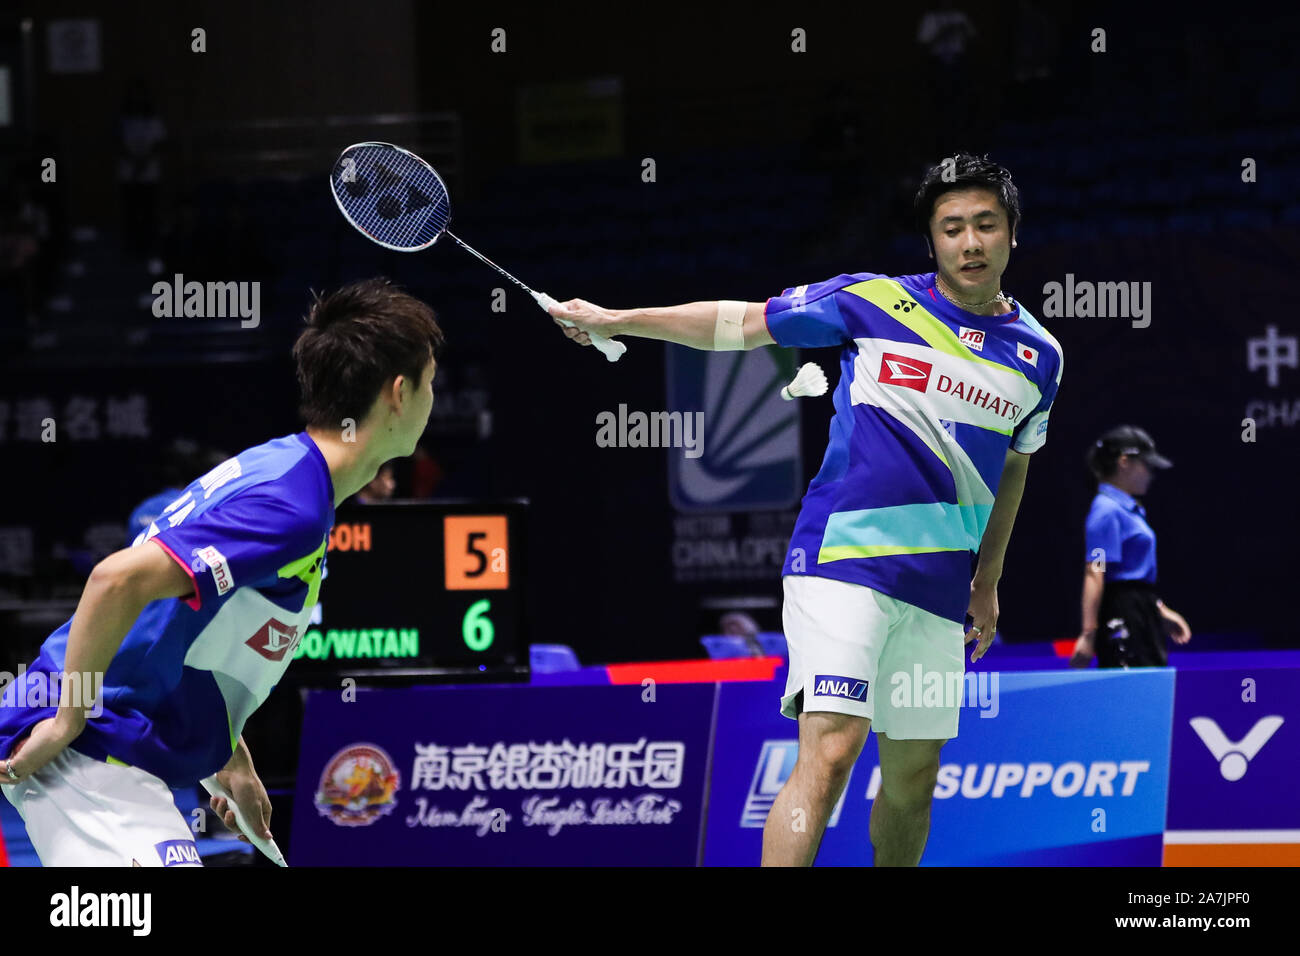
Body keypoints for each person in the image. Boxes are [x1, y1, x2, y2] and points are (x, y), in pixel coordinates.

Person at [549, 153, 1063, 866]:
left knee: (914, 780)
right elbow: (741, 323)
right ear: (931, 241)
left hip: (940, 587)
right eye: (952, 228)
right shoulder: (872, 302)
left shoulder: (1040, 355)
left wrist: (987, 581)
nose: (970, 243)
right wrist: (620, 319)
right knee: (833, 748)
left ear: (1012, 233)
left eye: (986, 224)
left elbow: (1014, 467)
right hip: (843, 561)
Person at [0, 278, 442, 866]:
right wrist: (66, 719)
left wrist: (229, 760)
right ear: (398, 393)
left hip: (112, 749)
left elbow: (190, 630)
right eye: (430, 382)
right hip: (90, 747)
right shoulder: (291, 507)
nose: (434, 398)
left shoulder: (286, 468)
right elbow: (116, 580)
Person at [1069, 425, 1191, 668]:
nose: (1151, 474)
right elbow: (1096, 570)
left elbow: (1132, 579)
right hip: (1122, 615)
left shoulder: (1129, 510)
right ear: (1124, 462)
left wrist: (1158, 609)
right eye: (1147, 465)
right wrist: (1088, 634)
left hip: (1141, 609)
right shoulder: (1106, 511)